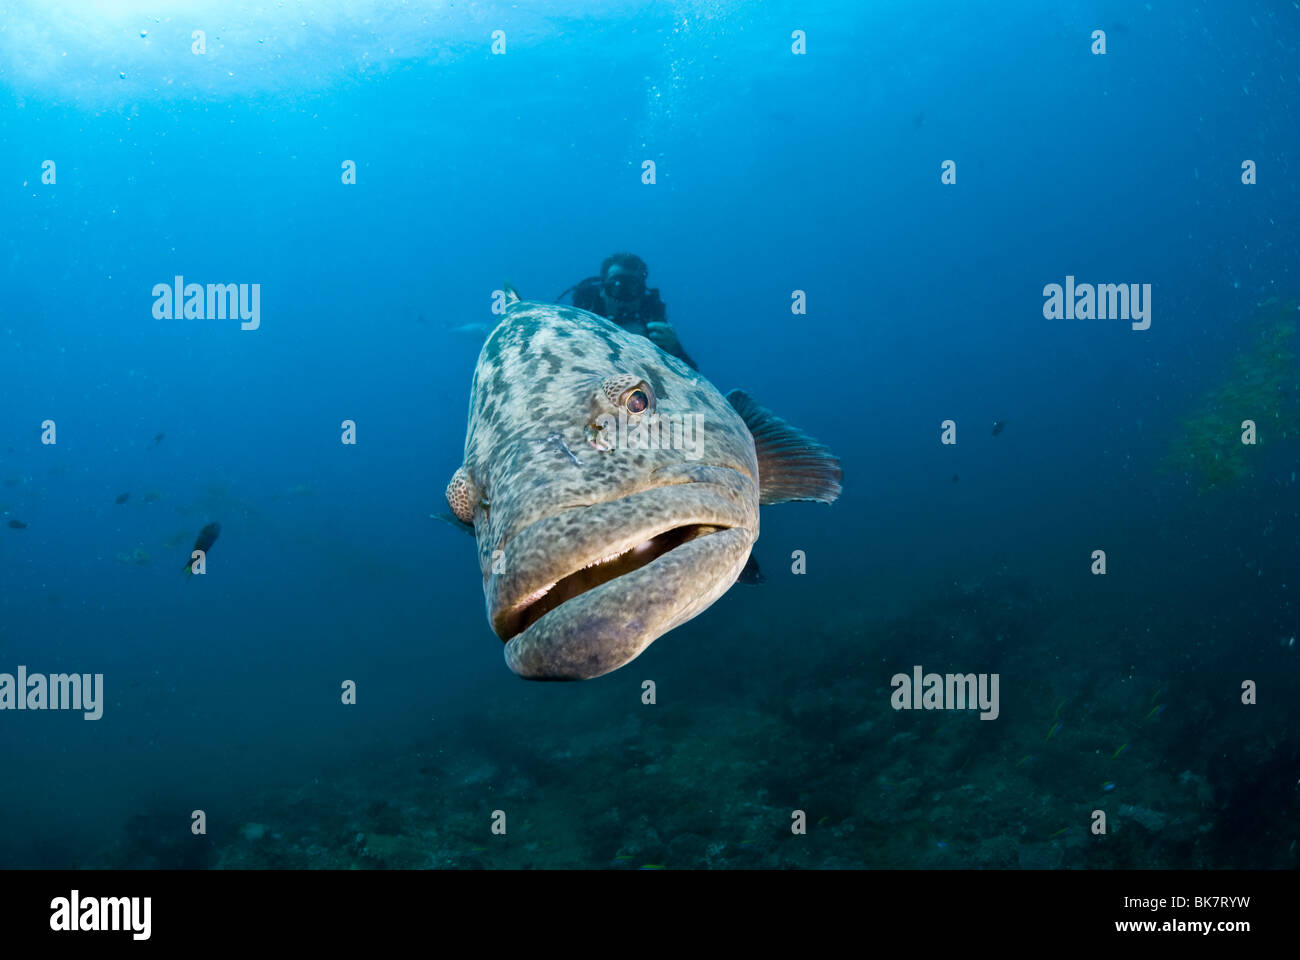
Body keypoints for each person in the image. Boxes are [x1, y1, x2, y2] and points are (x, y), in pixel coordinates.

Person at [559, 253, 698, 369]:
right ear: (602, 291)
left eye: (632, 288)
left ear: (642, 293)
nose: (623, 297)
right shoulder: (582, 317)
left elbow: (692, 374)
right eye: (616, 287)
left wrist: (674, 349)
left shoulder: (654, 325)